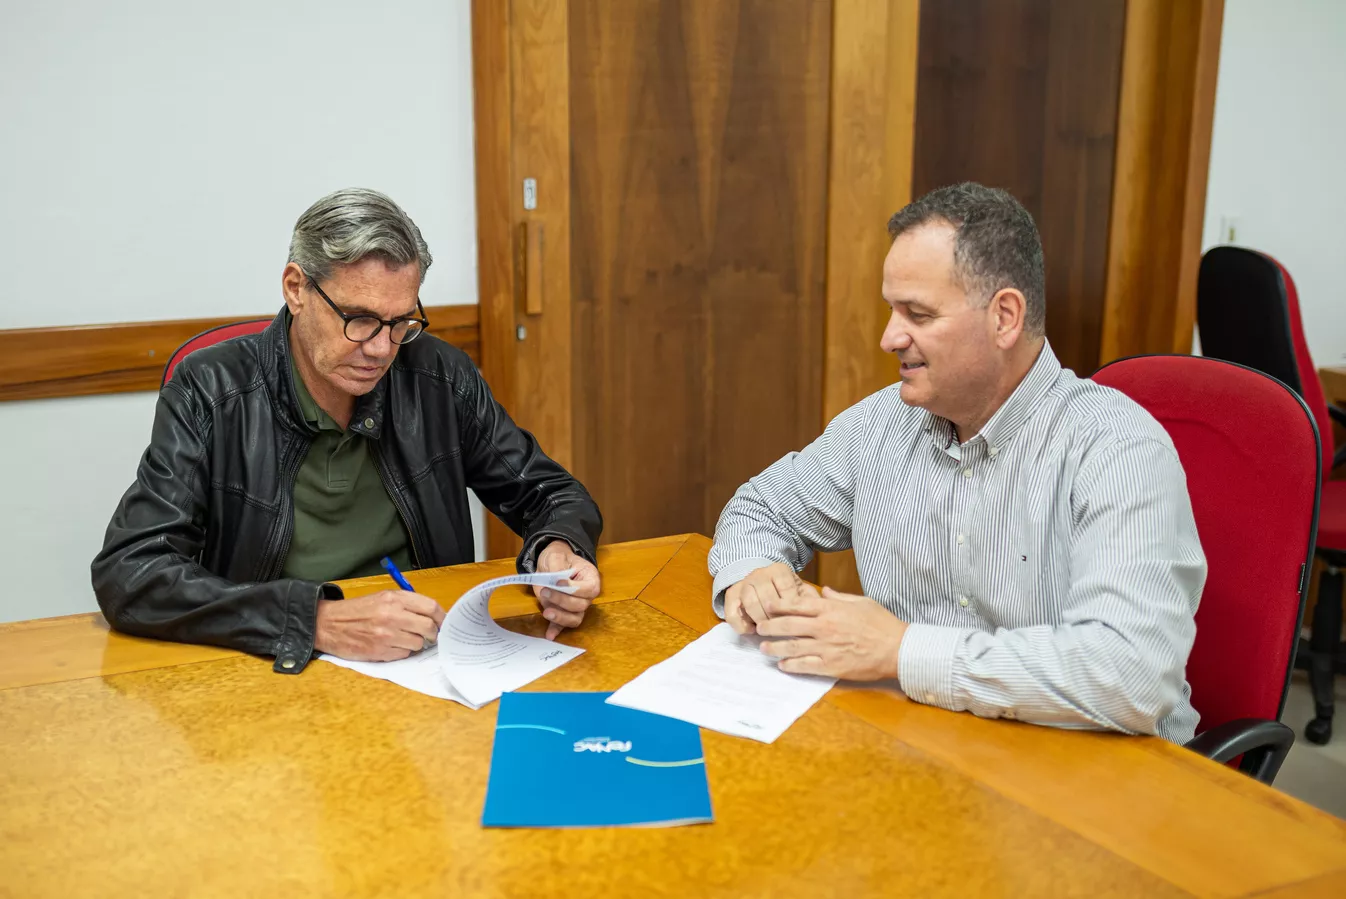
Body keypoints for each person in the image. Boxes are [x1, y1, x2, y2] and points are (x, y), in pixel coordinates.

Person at [709, 182, 1206, 742]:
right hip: (929, 743)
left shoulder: (1115, 448)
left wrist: (901, 652)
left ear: (1004, 318)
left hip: (1096, 767)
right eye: (891, 310)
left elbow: (1129, 675)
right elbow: (760, 509)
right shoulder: (880, 425)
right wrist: (754, 572)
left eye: (918, 314)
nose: (888, 338)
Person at [92, 188, 602, 673]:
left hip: (424, 657)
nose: (381, 349)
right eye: (358, 319)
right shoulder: (212, 388)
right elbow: (132, 572)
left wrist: (558, 548)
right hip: (275, 664)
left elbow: (550, 493)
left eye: (400, 322)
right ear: (296, 289)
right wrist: (315, 621)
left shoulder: (437, 375)